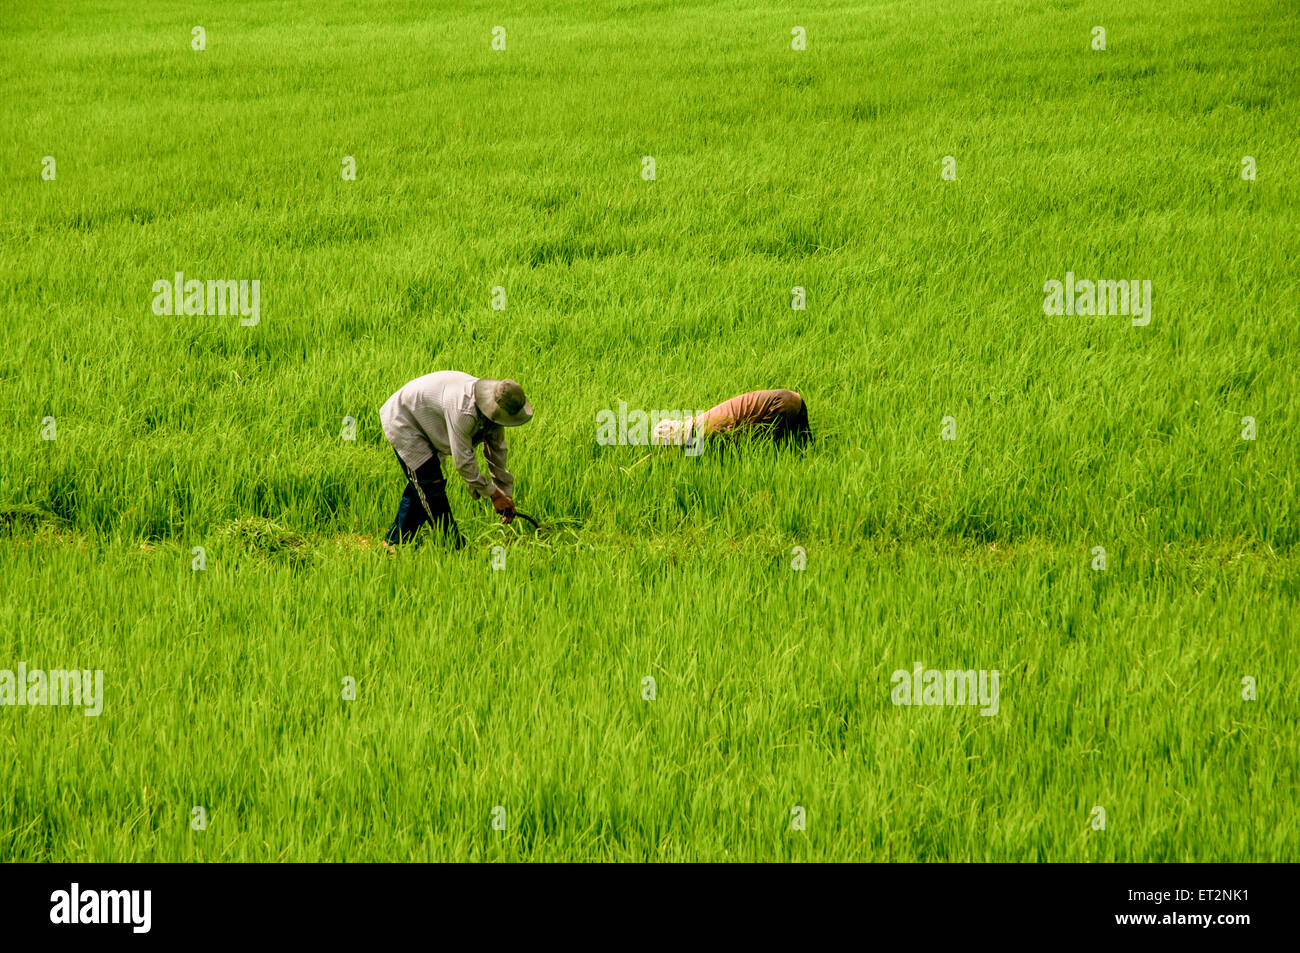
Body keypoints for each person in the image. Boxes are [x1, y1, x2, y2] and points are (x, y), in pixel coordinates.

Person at [379, 371, 532, 549]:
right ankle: (454, 547)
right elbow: (463, 462)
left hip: (429, 421)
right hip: (405, 419)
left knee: (421, 489)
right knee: (430, 487)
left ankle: (393, 543)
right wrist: (494, 494)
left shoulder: (495, 413)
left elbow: (497, 451)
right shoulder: (464, 411)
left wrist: (505, 493)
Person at [653, 388, 810, 449]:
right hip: (787, 398)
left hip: (781, 404)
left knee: (773, 448)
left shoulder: (707, 430)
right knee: (800, 444)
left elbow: (734, 442)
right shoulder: (700, 422)